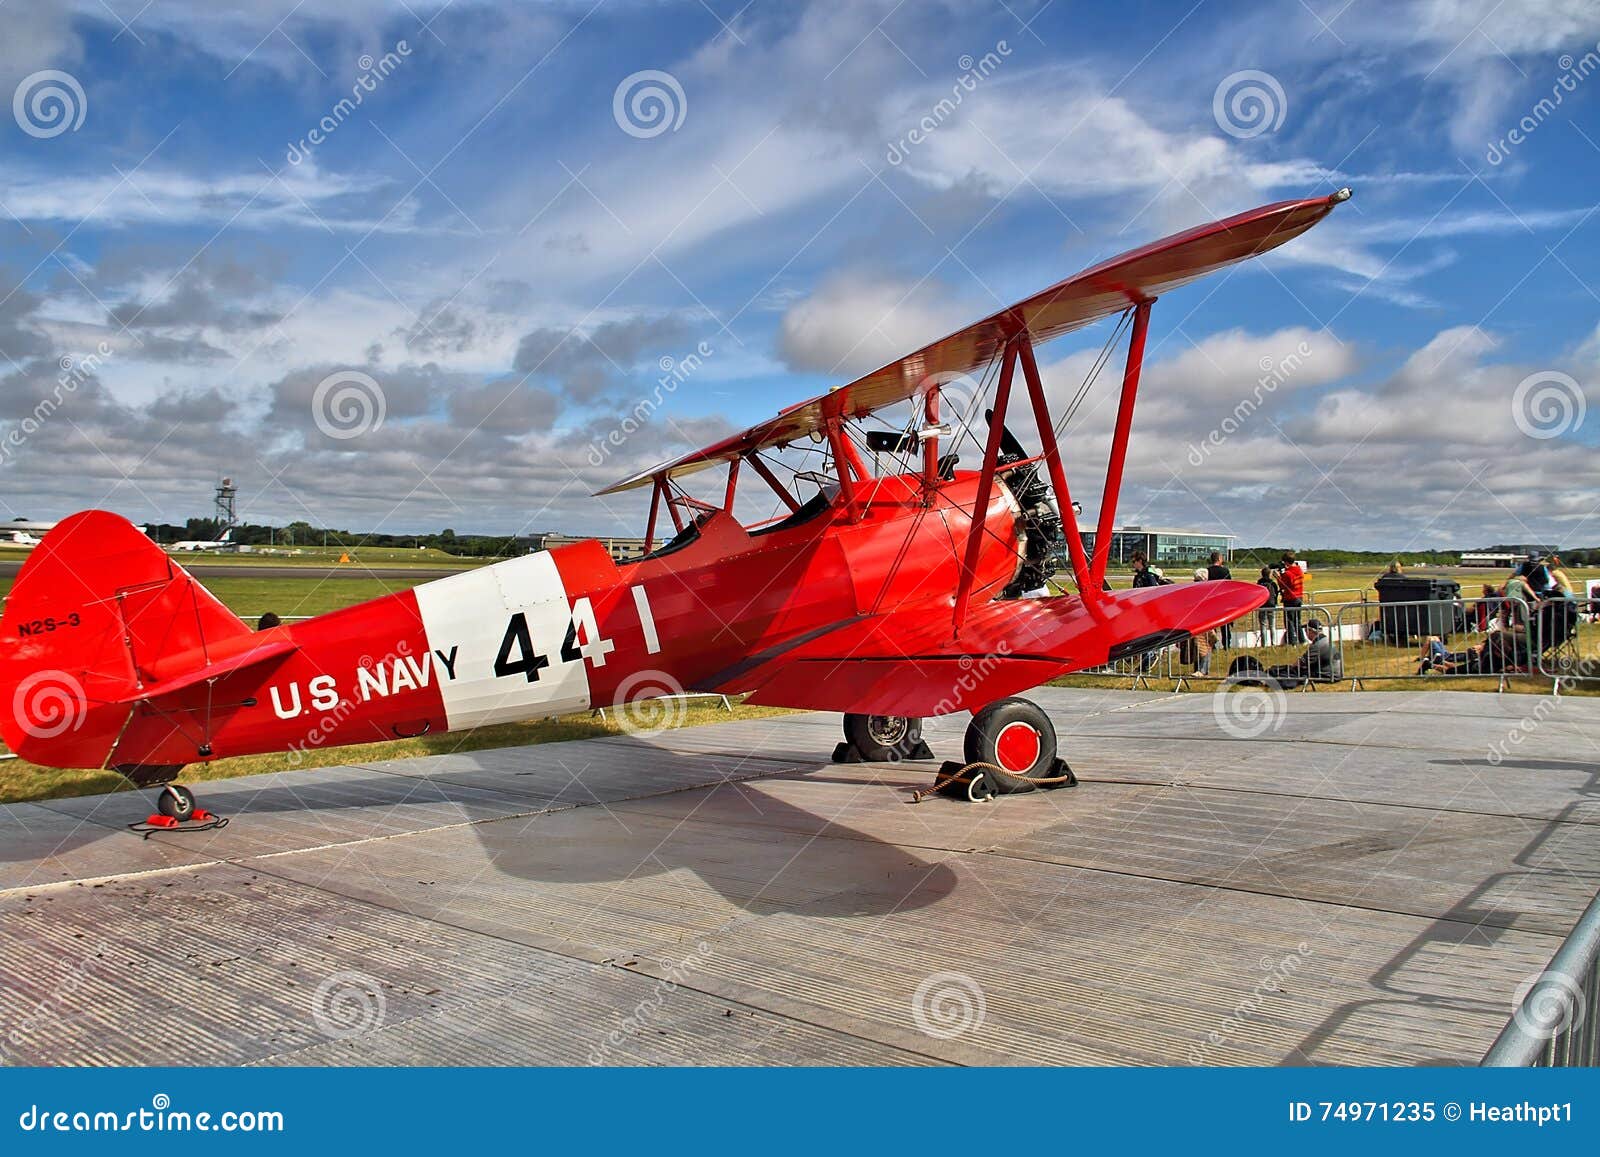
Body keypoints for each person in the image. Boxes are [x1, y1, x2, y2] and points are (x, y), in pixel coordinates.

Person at [1226, 618, 1335, 688]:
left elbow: (1300, 663)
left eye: (1306, 631)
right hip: (1330, 672)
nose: (1305, 633)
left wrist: (1289, 667)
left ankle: (1267, 679)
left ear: (1311, 631)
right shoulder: (1325, 641)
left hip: (1325, 675)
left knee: (1287, 672)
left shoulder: (1317, 646)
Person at [1206, 551, 1234, 647]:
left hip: (1211, 600)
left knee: (1212, 624)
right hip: (1223, 600)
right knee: (1225, 624)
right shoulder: (1225, 571)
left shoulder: (1208, 570)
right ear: (1219, 559)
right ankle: (1226, 644)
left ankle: (1212, 644)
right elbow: (1229, 585)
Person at [1277, 551, 1305, 645]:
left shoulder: (1288, 573)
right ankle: (1302, 640)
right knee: (1297, 620)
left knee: (1289, 620)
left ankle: (1292, 641)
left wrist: (1278, 576)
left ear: (1286, 562)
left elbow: (1283, 585)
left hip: (1290, 598)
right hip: (1299, 596)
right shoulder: (1299, 570)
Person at [1255, 565, 1279, 644]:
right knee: (1272, 625)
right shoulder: (1273, 583)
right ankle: (1273, 642)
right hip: (1271, 605)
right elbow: (1276, 594)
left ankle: (1264, 643)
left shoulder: (1259, 583)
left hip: (1262, 605)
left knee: (1263, 625)